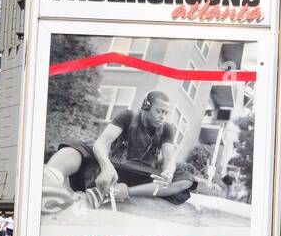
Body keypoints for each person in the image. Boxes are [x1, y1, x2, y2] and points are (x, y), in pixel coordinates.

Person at [41, 89, 196, 212]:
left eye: (166, 113)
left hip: (142, 176)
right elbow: (102, 142)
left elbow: (169, 159)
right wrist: (106, 166)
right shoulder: (127, 116)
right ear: (146, 106)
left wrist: (169, 171)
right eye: (159, 111)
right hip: (114, 169)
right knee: (74, 148)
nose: (163, 116)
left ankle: (115, 193)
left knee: (186, 179)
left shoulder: (167, 128)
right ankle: (48, 185)